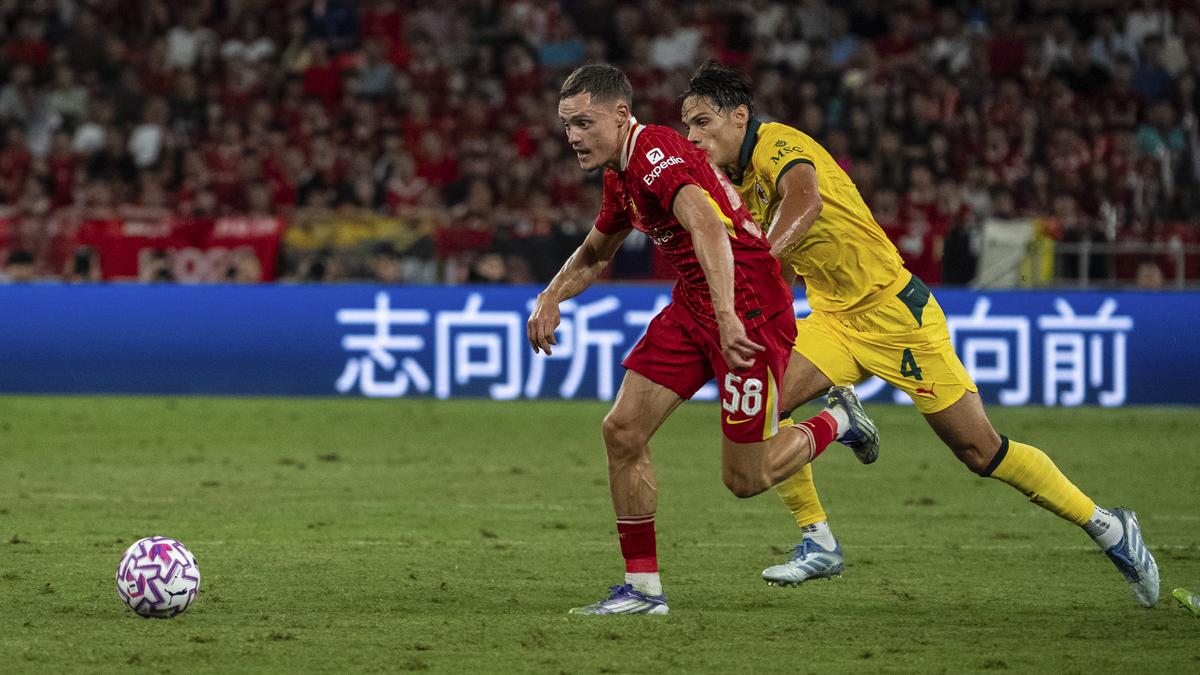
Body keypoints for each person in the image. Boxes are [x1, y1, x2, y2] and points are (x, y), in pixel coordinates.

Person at [679, 60, 1159, 607]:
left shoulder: (779, 146)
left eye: (701, 122)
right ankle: (820, 537)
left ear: (739, 117)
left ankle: (1109, 526)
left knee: (980, 452)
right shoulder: (734, 178)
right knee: (764, 403)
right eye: (687, 126)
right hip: (835, 318)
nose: (692, 136)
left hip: (897, 317)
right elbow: (783, 262)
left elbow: (804, 204)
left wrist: (758, 266)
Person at [527, 64, 880, 615]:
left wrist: (729, 317)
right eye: (566, 124)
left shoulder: (656, 154)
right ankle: (643, 592)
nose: (573, 136)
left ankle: (837, 422)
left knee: (746, 478)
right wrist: (550, 296)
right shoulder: (621, 175)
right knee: (622, 430)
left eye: (583, 122)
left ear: (621, 116)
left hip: (748, 308)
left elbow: (710, 227)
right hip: (696, 305)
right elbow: (597, 253)